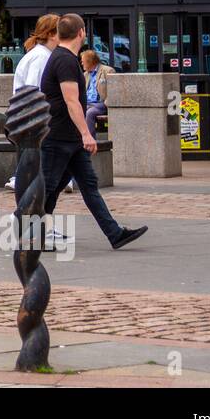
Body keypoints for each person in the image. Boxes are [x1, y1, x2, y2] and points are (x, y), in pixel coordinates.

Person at [36, 14, 146, 250]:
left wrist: (80, 136)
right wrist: (87, 133)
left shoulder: (65, 58)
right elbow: (71, 101)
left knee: (86, 185)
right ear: (81, 33)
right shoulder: (64, 60)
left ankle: (115, 234)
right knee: (48, 188)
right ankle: (31, 231)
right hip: (58, 137)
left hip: (68, 138)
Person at [6, 14, 60, 190]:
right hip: (32, 116)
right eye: (61, 31)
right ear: (52, 34)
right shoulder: (41, 57)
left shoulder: (40, 54)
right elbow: (33, 88)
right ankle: (20, 179)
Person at [80, 49, 113, 136]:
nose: (81, 63)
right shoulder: (85, 75)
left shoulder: (108, 71)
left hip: (101, 104)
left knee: (90, 113)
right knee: (76, 110)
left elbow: (114, 91)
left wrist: (107, 102)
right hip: (88, 104)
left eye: (83, 61)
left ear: (90, 61)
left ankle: (90, 142)